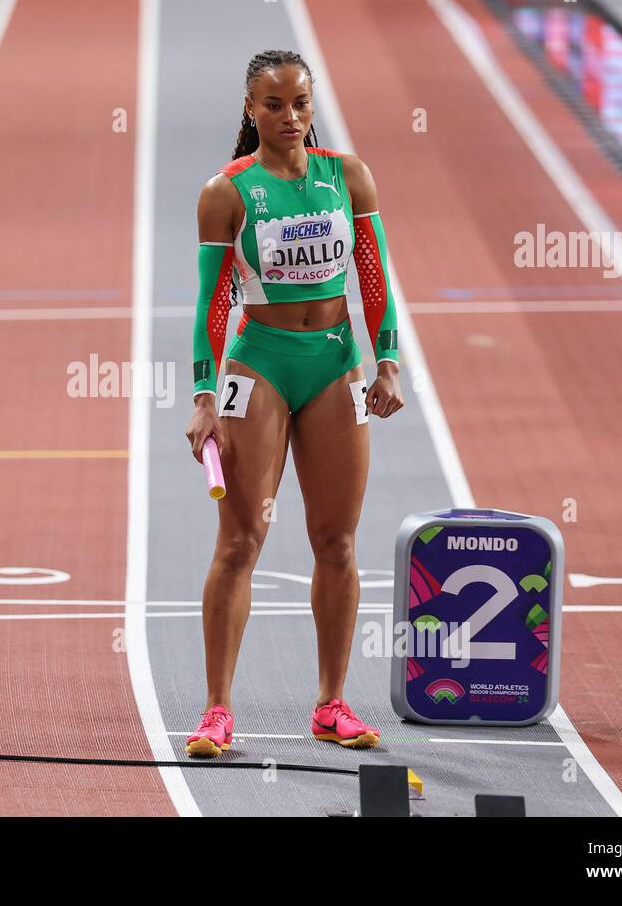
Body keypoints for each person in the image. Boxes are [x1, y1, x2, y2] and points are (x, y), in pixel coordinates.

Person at [183, 49, 403, 758]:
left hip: (336, 364)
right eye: (273, 104)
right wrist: (203, 393)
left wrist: (388, 360)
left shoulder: (348, 176)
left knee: (336, 542)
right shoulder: (228, 192)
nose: (289, 117)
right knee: (241, 541)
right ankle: (217, 709)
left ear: (314, 104)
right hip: (263, 366)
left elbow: (374, 278)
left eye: (300, 102)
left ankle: (331, 703)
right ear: (249, 108)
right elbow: (211, 304)